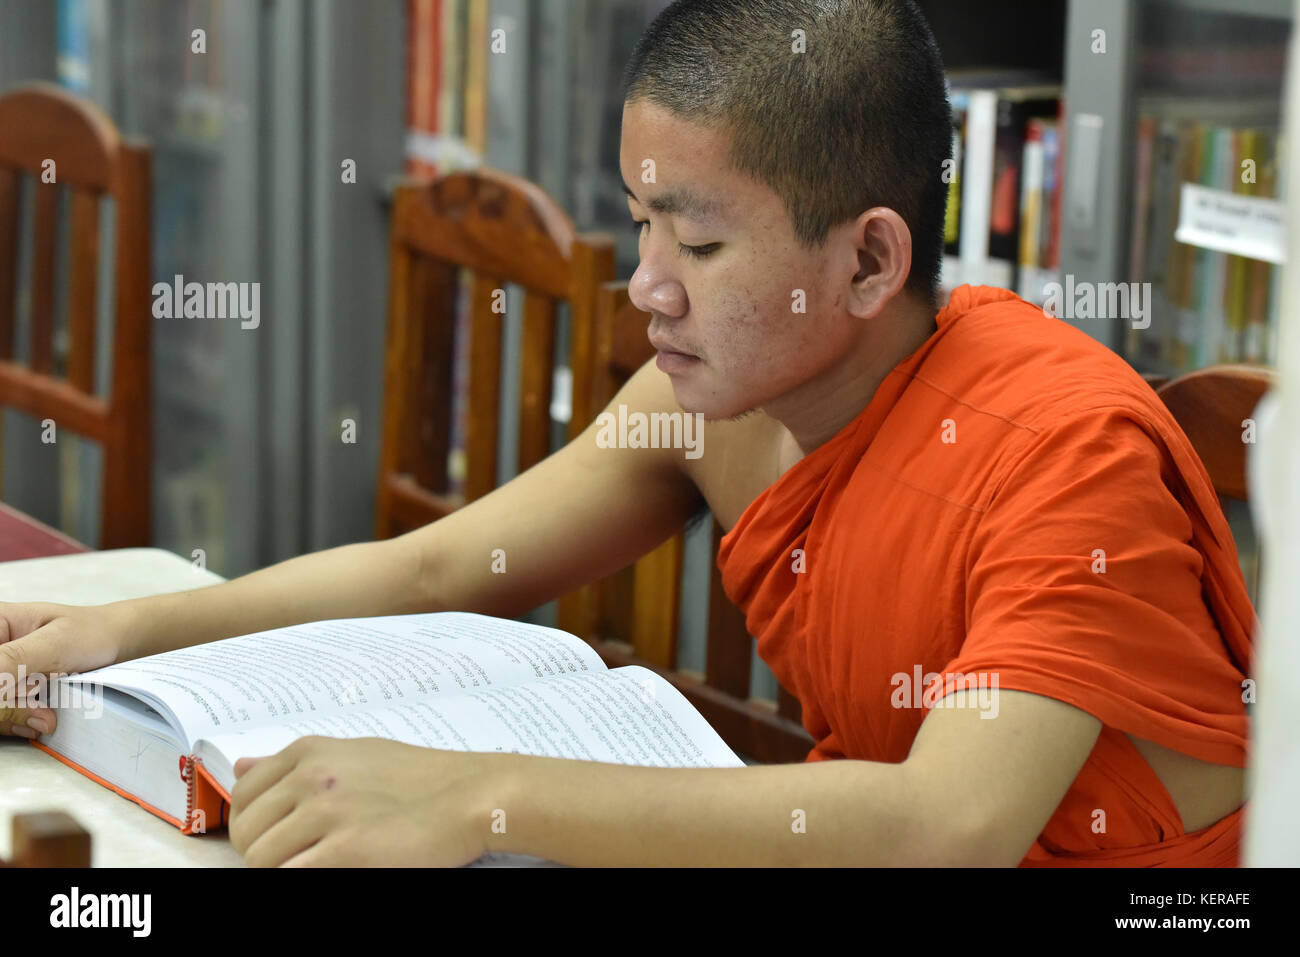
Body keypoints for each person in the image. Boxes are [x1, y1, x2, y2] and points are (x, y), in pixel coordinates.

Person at [0, 0, 1251, 866]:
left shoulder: (1064, 452)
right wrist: (120, 630)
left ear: (870, 258)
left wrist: (475, 797)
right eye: (639, 221)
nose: (646, 285)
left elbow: (948, 830)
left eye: (697, 242)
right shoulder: (723, 396)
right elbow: (441, 567)